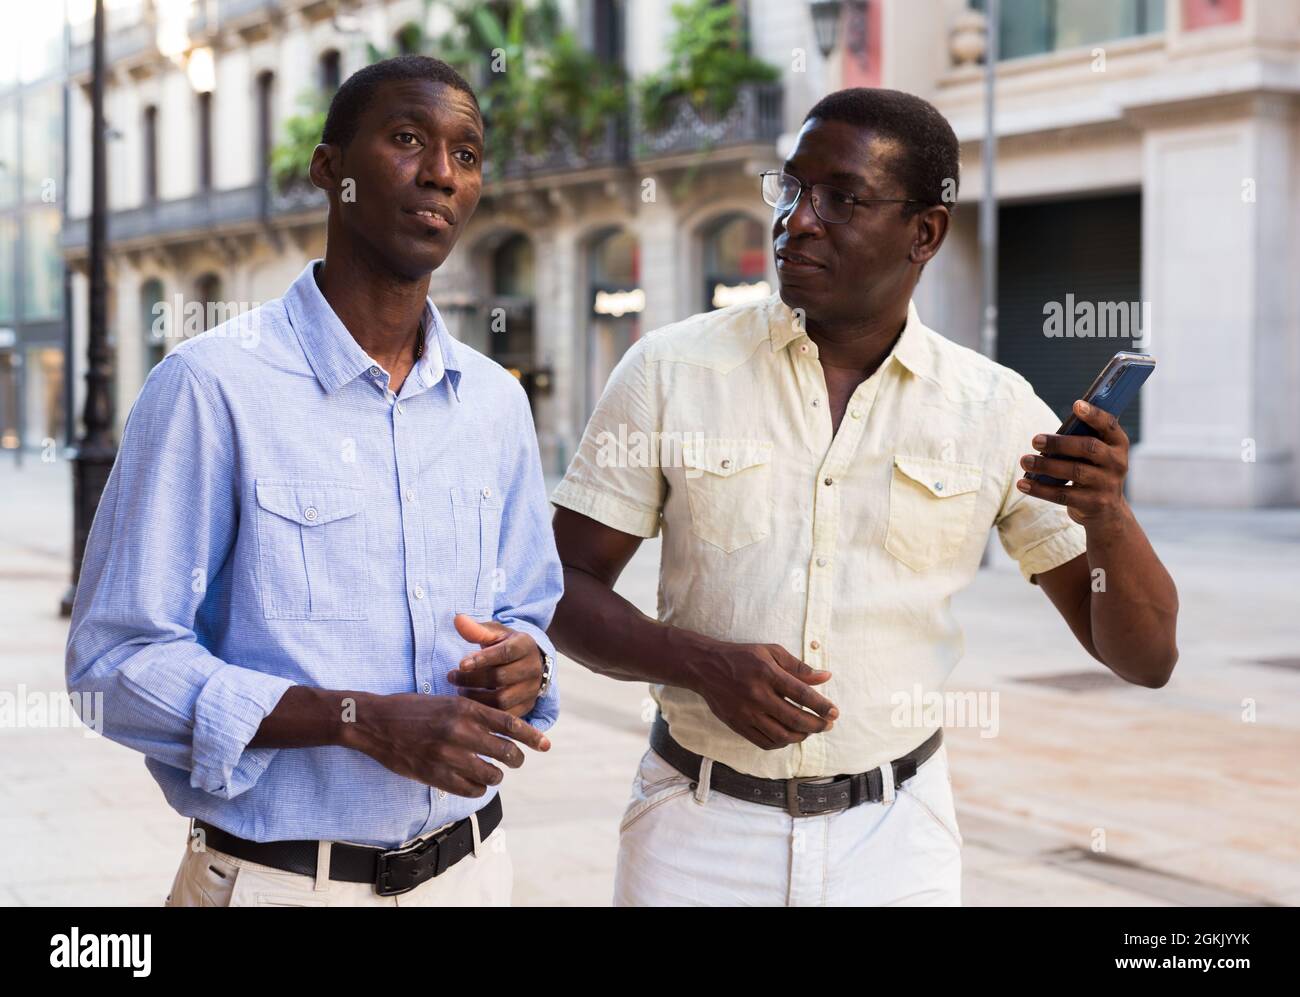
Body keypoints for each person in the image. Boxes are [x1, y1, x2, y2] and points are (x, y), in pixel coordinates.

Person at [548, 88, 1179, 906]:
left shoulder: (994, 409)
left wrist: (1108, 516)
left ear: (925, 233)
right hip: (697, 834)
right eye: (793, 187)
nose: (796, 220)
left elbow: (1144, 656)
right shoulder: (669, 372)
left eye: (841, 197)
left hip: (896, 843)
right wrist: (697, 662)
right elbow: (558, 585)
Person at [66, 56, 561, 907]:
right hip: (283, 884)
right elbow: (113, 666)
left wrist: (527, 665)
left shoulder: (493, 402)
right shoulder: (211, 387)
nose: (442, 173)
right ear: (331, 172)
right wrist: (358, 720)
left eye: (467, 154)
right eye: (408, 140)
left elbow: (527, 612)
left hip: (476, 872)